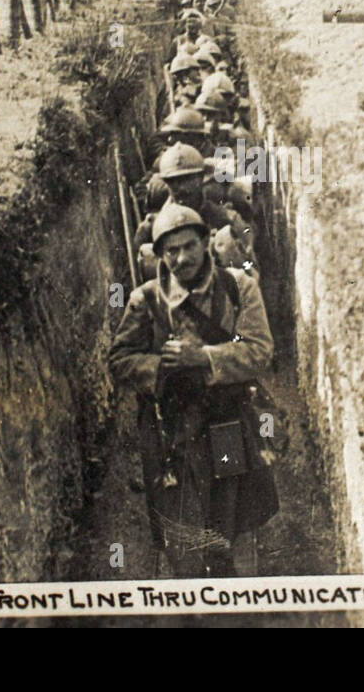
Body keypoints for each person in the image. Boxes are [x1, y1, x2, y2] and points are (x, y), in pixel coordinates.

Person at [108, 204, 279, 577]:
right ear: (160, 254)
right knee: (181, 522)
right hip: (172, 434)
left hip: (227, 424)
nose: (181, 258)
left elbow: (260, 352)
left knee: (232, 514)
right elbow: (120, 359)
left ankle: (237, 596)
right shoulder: (145, 300)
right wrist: (162, 369)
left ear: (205, 242)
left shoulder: (238, 288)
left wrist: (202, 357)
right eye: (171, 251)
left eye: (189, 246)